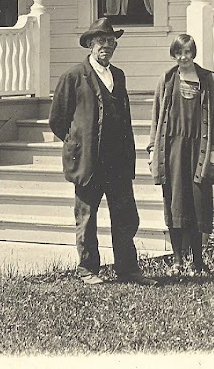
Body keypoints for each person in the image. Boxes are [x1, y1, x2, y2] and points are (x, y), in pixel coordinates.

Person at [49, 16, 143, 284]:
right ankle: (88, 270)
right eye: (101, 41)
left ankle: (128, 269)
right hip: (89, 162)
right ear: (90, 44)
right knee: (87, 218)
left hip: (118, 161)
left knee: (125, 217)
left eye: (111, 42)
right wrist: (77, 144)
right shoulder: (74, 77)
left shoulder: (119, 76)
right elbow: (57, 120)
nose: (107, 46)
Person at [147, 33, 214, 278]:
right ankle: (178, 260)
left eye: (188, 52)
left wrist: (213, 151)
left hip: (199, 149)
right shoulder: (167, 79)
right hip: (172, 150)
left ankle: (198, 262)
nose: (184, 57)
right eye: (179, 53)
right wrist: (152, 149)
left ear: (194, 53)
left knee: (197, 203)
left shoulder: (208, 80)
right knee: (175, 203)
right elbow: (156, 116)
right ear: (174, 55)